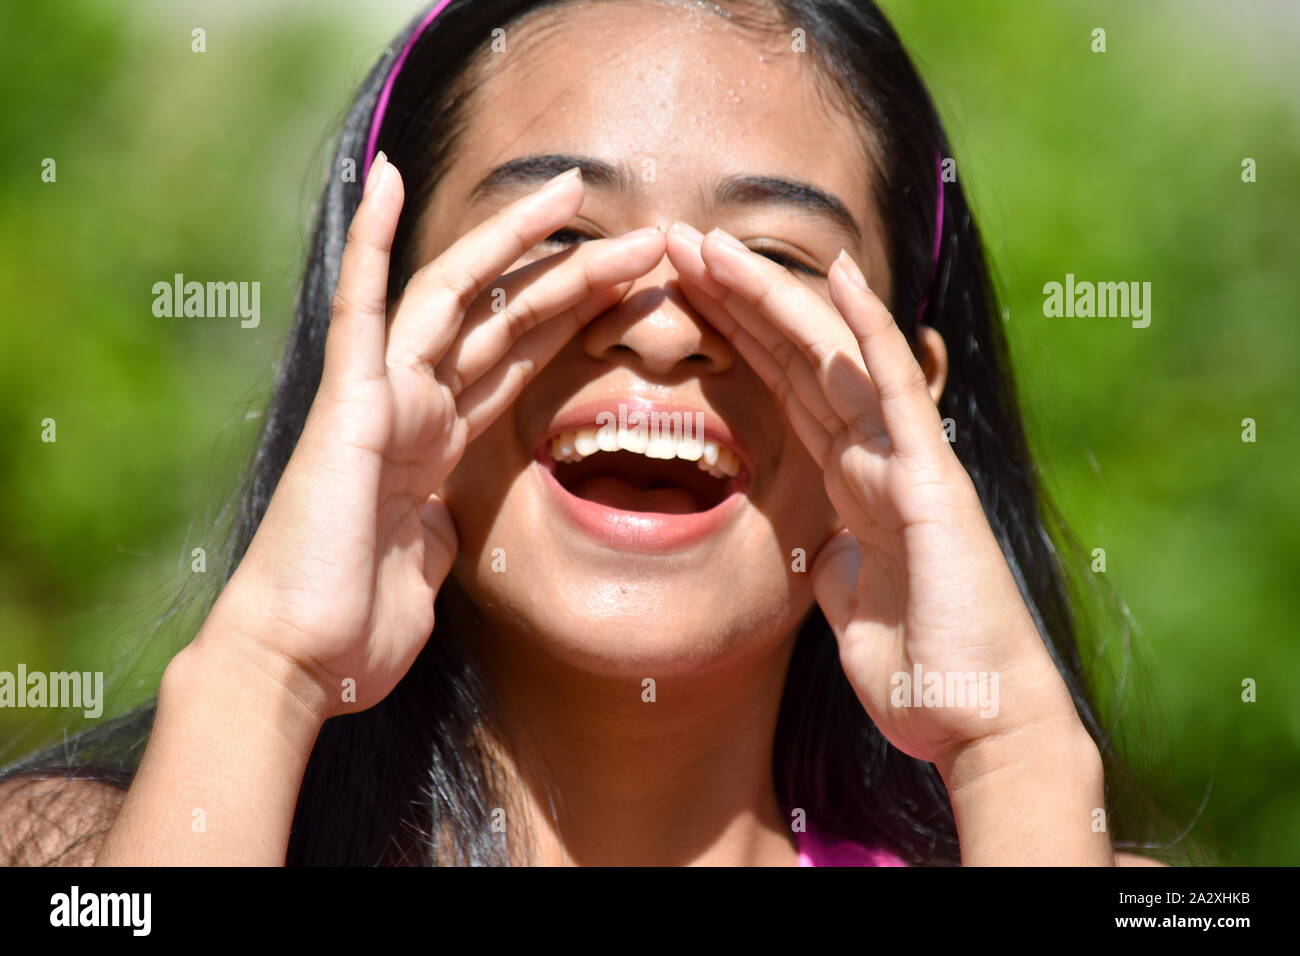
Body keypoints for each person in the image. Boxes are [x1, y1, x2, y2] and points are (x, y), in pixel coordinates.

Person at [0, 0, 1177, 866]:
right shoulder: (66, 855)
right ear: (378, 339)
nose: (664, 335)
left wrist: (1016, 755)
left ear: (912, 403)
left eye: (769, 262)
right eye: (558, 242)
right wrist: (262, 674)